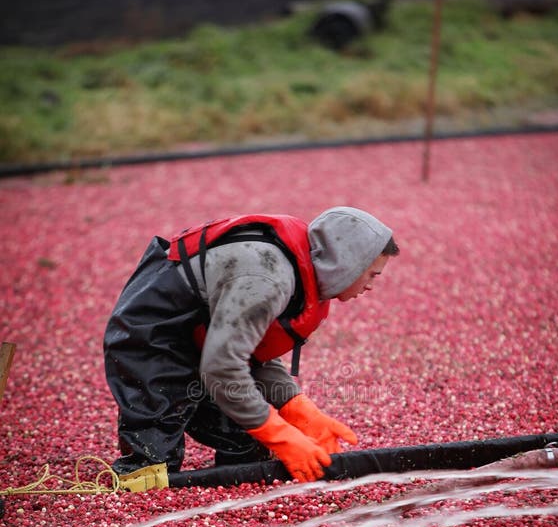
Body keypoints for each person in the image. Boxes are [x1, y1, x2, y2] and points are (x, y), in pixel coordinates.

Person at [104, 206, 398, 483]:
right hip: (153, 337)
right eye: (372, 274)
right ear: (346, 264)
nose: (371, 285)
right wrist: (281, 434)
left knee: (248, 448)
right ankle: (139, 476)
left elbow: (250, 350)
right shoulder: (267, 280)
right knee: (151, 470)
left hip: (203, 341)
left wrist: (296, 407)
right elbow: (223, 367)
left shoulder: (294, 271)